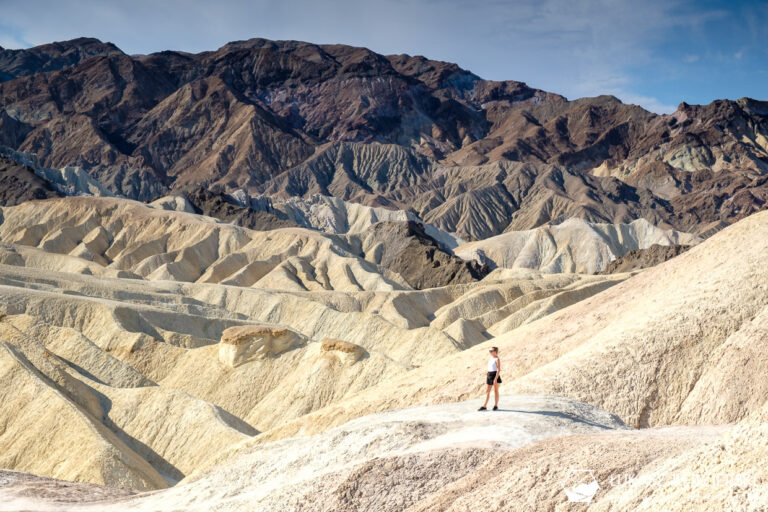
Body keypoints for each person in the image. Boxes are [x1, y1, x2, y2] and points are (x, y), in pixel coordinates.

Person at [478, 346, 501, 411]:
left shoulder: (497, 359)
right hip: (489, 375)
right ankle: (484, 406)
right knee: (487, 391)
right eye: (489, 351)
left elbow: (498, 369)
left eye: (491, 351)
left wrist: (495, 379)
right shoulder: (491, 358)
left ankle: (496, 405)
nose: (490, 352)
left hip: (495, 375)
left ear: (495, 351)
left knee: (495, 391)